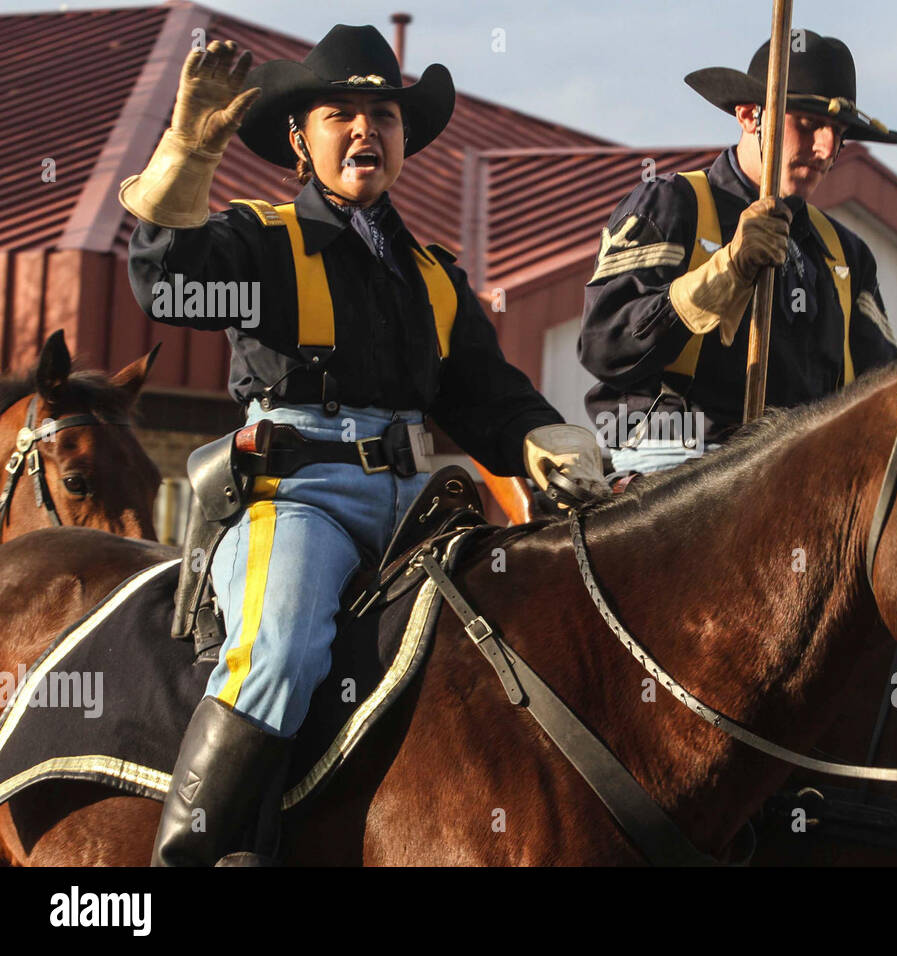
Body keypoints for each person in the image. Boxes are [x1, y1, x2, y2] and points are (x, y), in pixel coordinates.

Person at [121, 25, 605, 865]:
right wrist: (185, 157)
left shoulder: (434, 274)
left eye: (383, 114)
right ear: (299, 143)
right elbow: (166, 278)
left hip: (420, 509)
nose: (365, 131)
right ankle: (190, 859)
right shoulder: (261, 241)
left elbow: (487, 395)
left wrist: (544, 436)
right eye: (340, 113)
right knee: (279, 651)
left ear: (404, 139)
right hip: (297, 497)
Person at [579, 30, 897, 474]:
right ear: (750, 116)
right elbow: (604, 347)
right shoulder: (672, 205)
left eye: (840, 134)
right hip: (679, 461)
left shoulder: (848, 254)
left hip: (801, 475)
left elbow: (883, 388)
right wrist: (724, 273)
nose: (827, 150)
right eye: (810, 124)